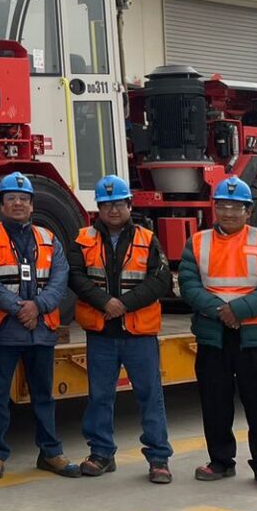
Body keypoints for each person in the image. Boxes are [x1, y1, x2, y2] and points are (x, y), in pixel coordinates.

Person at [178, 176, 257, 491]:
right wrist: (221, 312)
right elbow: (188, 285)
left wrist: (236, 312)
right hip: (213, 336)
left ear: (248, 211)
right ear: (214, 208)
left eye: (236, 207)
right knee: (215, 403)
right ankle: (220, 461)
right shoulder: (197, 243)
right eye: (223, 206)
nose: (228, 212)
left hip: (254, 337)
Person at [68, 175, 174, 483]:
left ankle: (158, 458)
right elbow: (75, 276)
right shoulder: (83, 239)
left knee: (150, 396)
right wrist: (104, 302)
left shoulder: (148, 239)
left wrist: (123, 304)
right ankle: (101, 454)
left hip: (139, 334)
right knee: (100, 396)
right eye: (106, 205)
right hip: (102, 333)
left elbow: (161, 280)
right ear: (98, 208)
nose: (113, 210)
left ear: (129, 205)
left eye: (118, 204)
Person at [0, 173, 80, 479]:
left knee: (43, 395)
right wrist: (17, 307)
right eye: (11, 199)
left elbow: (60, 279)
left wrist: (38, 306)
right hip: (4, 328)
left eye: (23, 198)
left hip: (41, 329)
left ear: (32, 205)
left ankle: (50, 452)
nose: (18, 203)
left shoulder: (48, 239)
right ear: (2, 205)